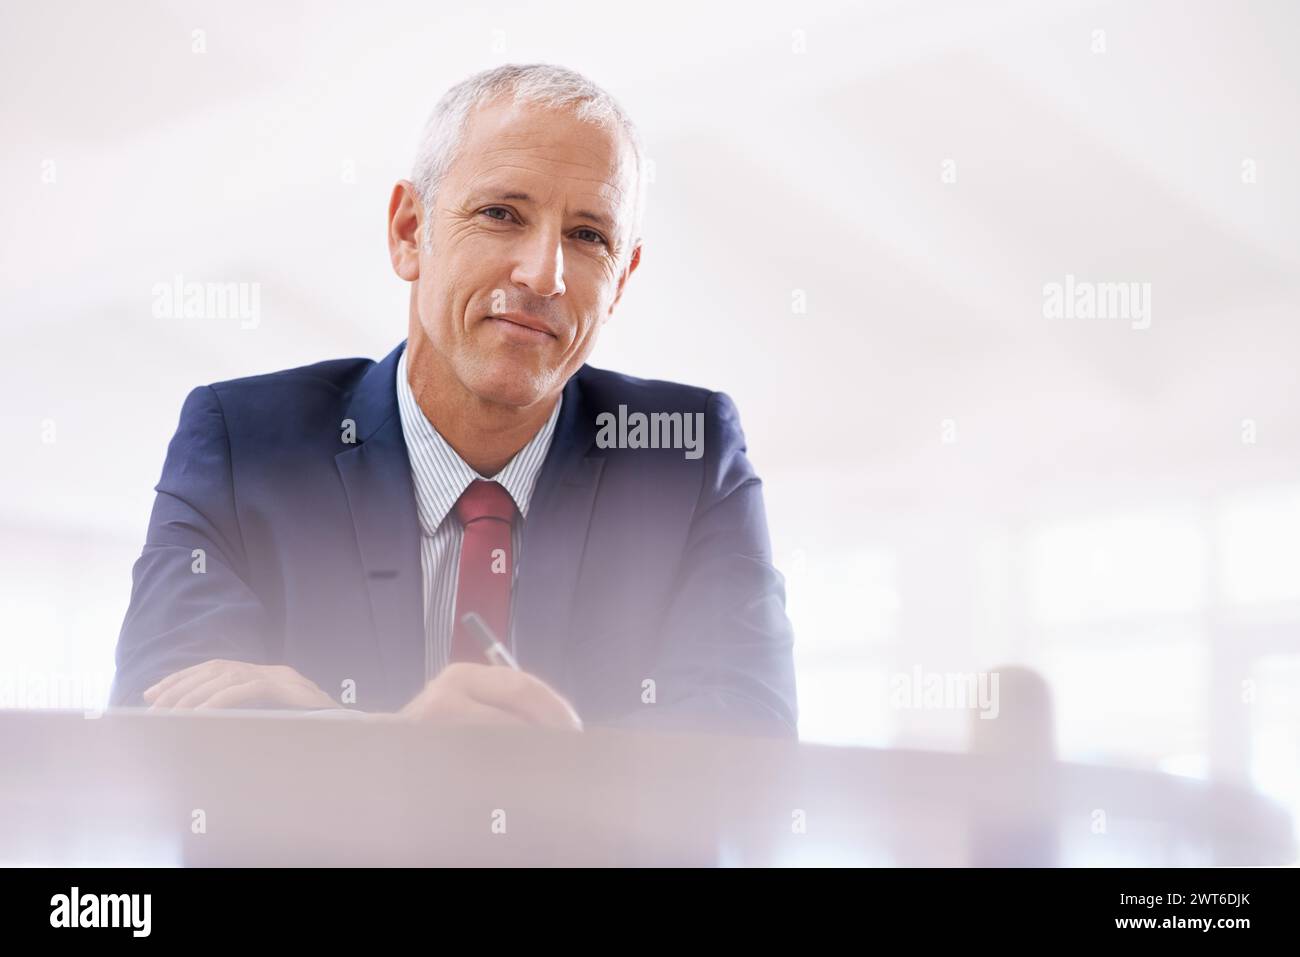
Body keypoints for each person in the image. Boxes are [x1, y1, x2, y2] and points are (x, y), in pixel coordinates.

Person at [110, 63, 797, 738]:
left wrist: (363, 734)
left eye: (588, 235)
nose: (544, 273)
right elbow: (160, 724)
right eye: (502, 214)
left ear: (621, 280)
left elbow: (747, 740)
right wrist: (412, 748)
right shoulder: (244, 446)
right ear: (410, 231)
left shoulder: (686, 456)